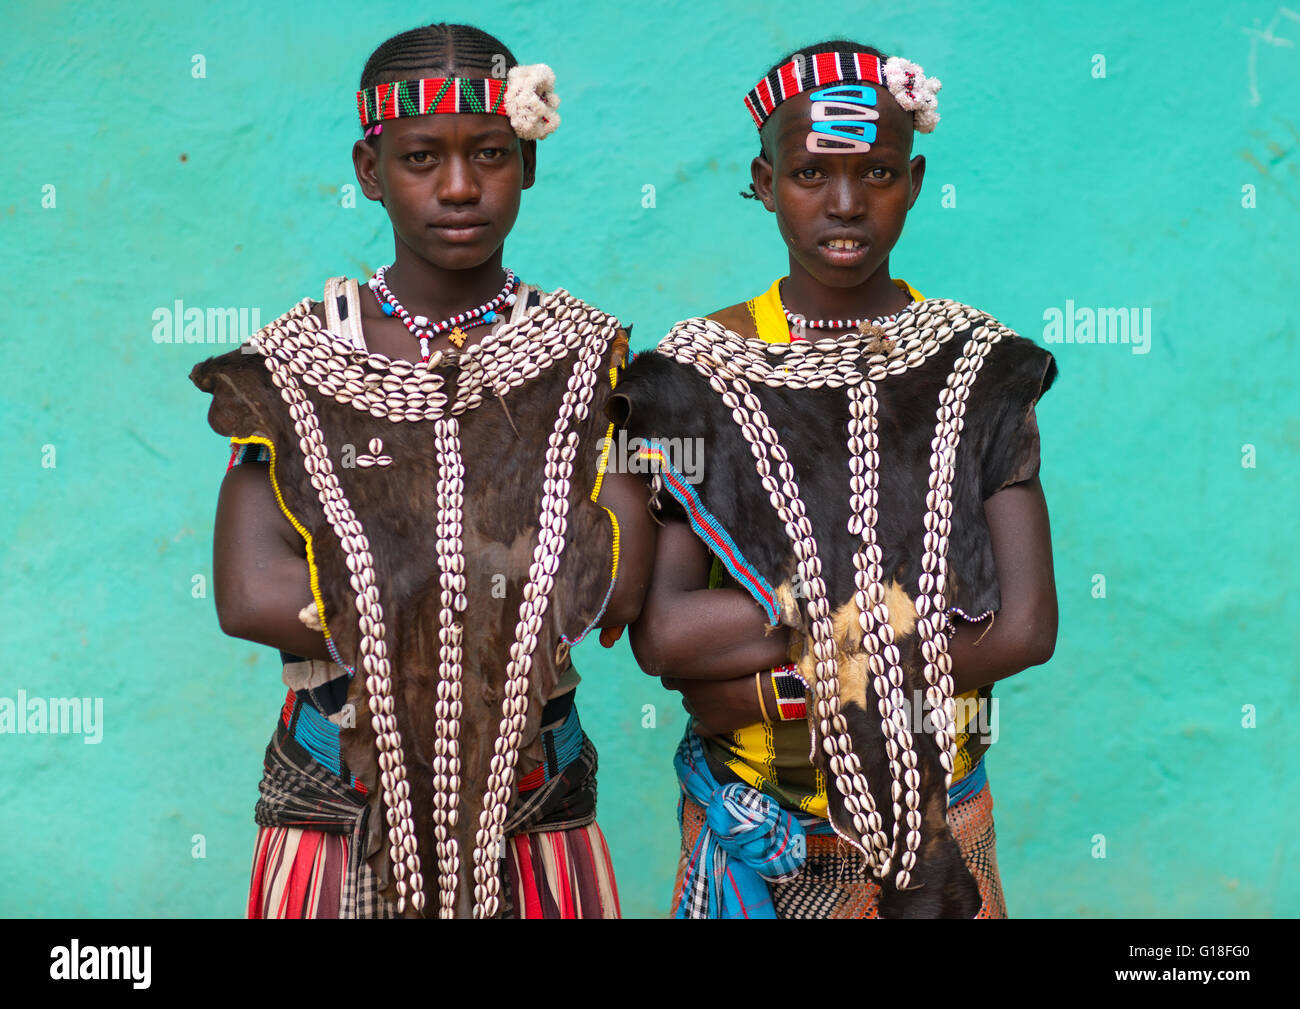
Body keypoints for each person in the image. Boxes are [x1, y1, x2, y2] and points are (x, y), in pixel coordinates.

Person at [193, 21, 652, 919]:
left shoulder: (588, 360)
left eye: (488, 153)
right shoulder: (298, 361)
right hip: (338, 796)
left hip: (534, 794)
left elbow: (617, 582)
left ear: (528, 163)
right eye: (419, 158)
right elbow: (248, 592)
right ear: (370, 171)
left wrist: (382, 572)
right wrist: (491, 584)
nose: (456, 186)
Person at [615, 40, 1059, 918]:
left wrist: (766, 679)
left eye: (879, 172)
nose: (847, 202)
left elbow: (1026, 626)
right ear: (765, 178)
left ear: (917, 179)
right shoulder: (691, 377)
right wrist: (904, 623)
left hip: (944, 822)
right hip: (756, 830)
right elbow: (665, 636)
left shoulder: (980, 370)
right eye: (813, 172)